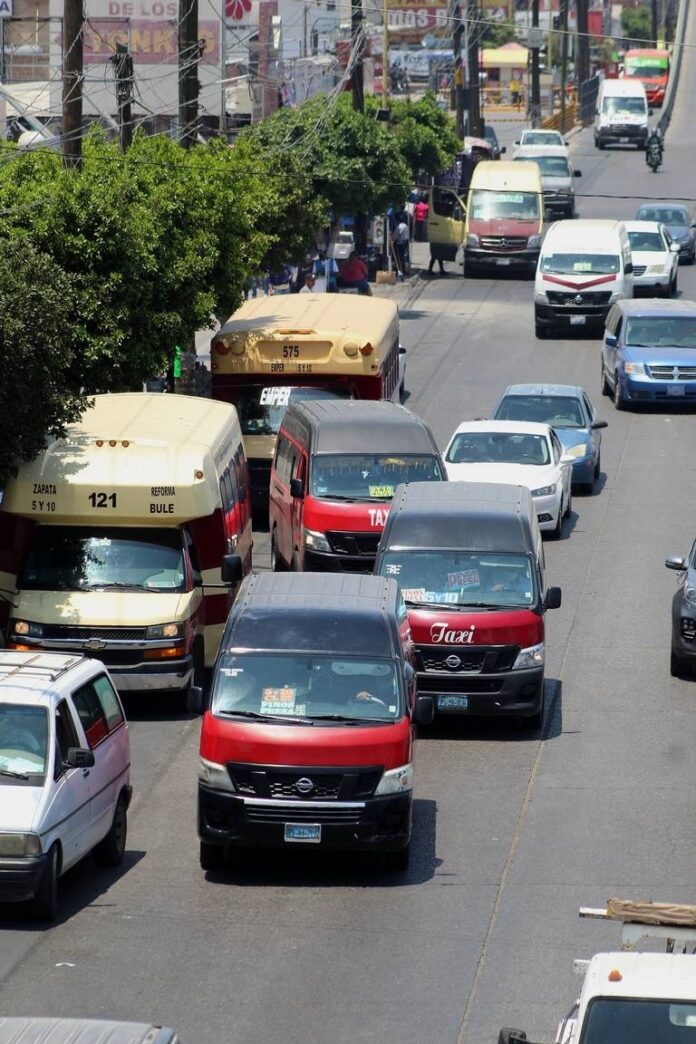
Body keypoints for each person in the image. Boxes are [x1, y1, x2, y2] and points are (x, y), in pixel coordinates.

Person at [393, 214, 410, 279]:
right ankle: (405, 271)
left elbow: (395, 237)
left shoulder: (399, 227)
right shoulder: (406, 226)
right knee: (405, 257)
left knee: (399, 258)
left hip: (400, 244)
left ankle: (401, 271)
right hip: (406, 243)